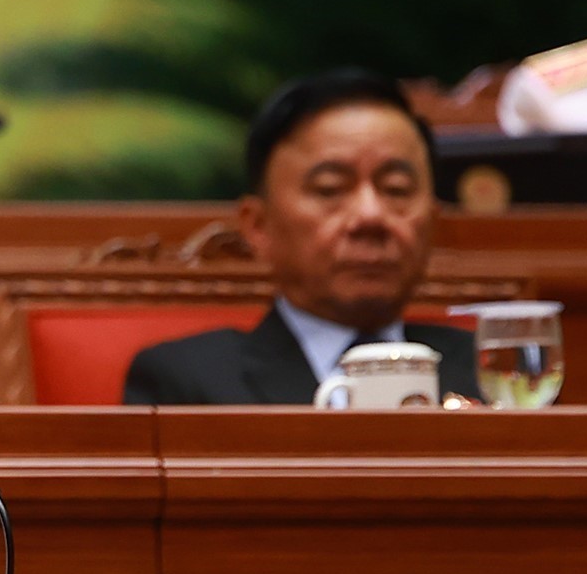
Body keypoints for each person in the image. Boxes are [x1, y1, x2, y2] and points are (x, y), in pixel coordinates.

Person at [123, 69, 478, 404]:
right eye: (330, 189)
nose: (370, 216)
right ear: (259, 226)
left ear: (432, 220)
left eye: (396, 189)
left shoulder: (489, 372)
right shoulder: (186, 383)